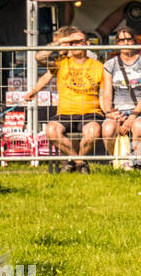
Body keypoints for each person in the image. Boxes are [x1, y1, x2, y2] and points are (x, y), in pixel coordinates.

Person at [37, 26, 107, 173]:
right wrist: (63, 40)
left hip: (90, 112)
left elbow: (103, 96)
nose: (75, 44)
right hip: (65, 113)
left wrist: (109, 112)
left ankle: (72, 162)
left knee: (93, 132)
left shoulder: (99, 67)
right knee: (51, 130)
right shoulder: (61, 63)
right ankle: (80, 163)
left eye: (79, 41)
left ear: (87, 44)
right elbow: (40, 56)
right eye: (72, 42)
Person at [101, 28, 141, 169]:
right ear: (117, 43)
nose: (126, 43)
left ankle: (136, 163)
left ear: (134, 41)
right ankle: (117, 160)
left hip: (138, 110)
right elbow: (107, 95)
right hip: (117, 111)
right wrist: (111, 113)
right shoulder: (110, 64)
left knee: (139, 126)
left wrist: (132, 117)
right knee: (107, 128)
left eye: (129, 39)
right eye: (122, 40)